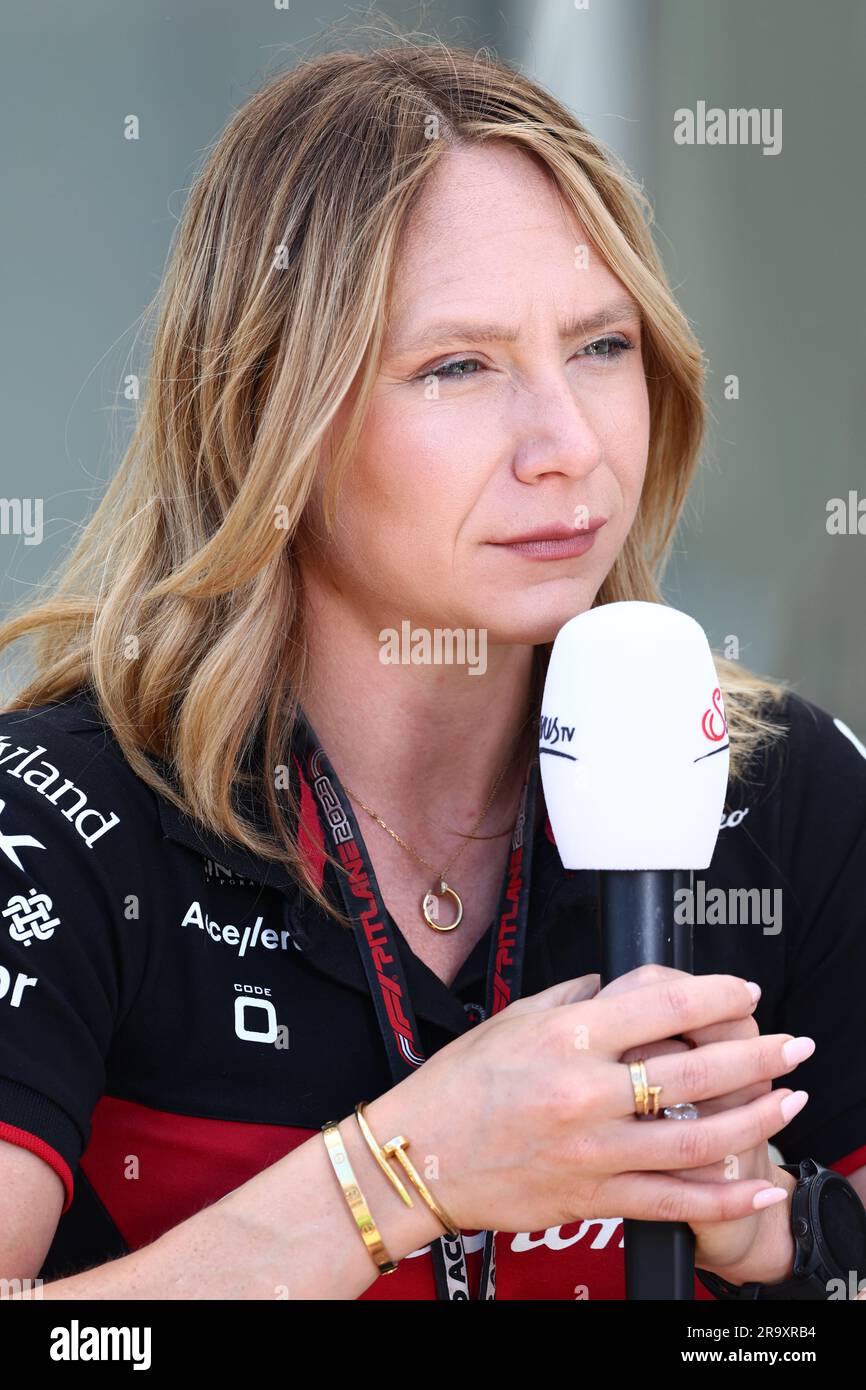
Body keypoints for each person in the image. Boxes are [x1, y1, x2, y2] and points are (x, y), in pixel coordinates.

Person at [0, 41, 864, 1303]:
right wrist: (408, 1170)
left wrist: (771, 1232)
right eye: (457, 366)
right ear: (264, 416)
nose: (565, 445)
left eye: (600, 345)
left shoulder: (782, 799)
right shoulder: (56, 820)